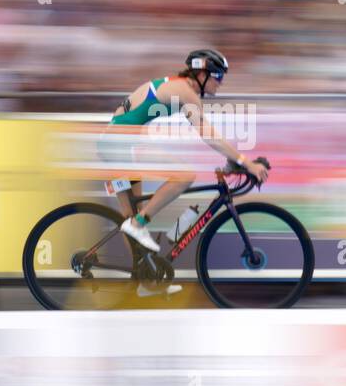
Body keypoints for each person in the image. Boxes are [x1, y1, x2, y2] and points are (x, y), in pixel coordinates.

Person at [103, 49, 267, 270]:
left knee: (131, 216)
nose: (220, 83)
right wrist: (246, 162)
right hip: (121, 143)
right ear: (202, 74)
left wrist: (233, 161)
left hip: (113, 142)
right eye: (217, 76)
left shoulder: (179, 86)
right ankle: (139, 224)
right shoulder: (184, 91)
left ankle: (144, 277)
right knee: (184, 176)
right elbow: (207, 133)